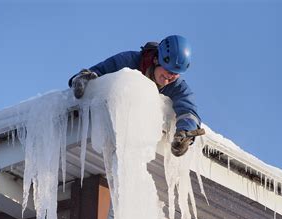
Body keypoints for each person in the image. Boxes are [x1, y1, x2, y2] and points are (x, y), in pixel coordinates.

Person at [69, 35, 205, 157]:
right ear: (157, 59)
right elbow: (99, 71)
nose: (170, 77)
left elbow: (188, 110)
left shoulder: (177, 87)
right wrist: (84, 78)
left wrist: (185, 132)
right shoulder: (129, 61)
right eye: (168, 70)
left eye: (175, 73)